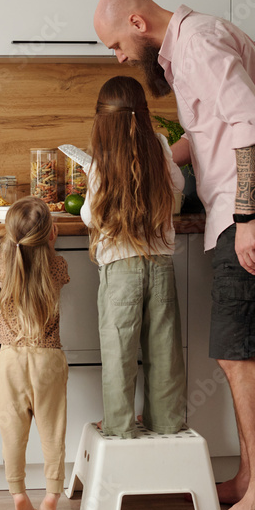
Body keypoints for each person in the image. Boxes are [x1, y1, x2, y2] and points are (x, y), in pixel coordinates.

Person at [93, 0, 255, 510]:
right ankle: (249, 478)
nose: (119, 57)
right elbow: (208, 131)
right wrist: (158, 158)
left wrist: (246, 216)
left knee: (241, 353)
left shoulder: (200, 43)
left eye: (117, 44)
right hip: (237, 214)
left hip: (254, 213)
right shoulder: (187, 50)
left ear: (137, 22)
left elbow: (249, 124)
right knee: (236, 351)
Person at [80, 76, 186, 440]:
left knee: (119, 352)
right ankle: (168, 423)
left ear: (101, 120)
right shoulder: (159, 145)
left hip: (119, 269)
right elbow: (178, 189)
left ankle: (120, 427)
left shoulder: (101, 159)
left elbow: (91, 217)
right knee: (164, 350)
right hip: (160, 265)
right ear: (144, 114)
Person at [0, 196, 70, 510]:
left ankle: (19, 493)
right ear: (51, 234)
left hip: (9, 361)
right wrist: (51, 243)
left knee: (12, 431)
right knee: (53, 432)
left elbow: (17, 254)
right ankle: (51, 498)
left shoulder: (5, 268)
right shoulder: (58, 266)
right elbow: (52, 265)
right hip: (48, 359)